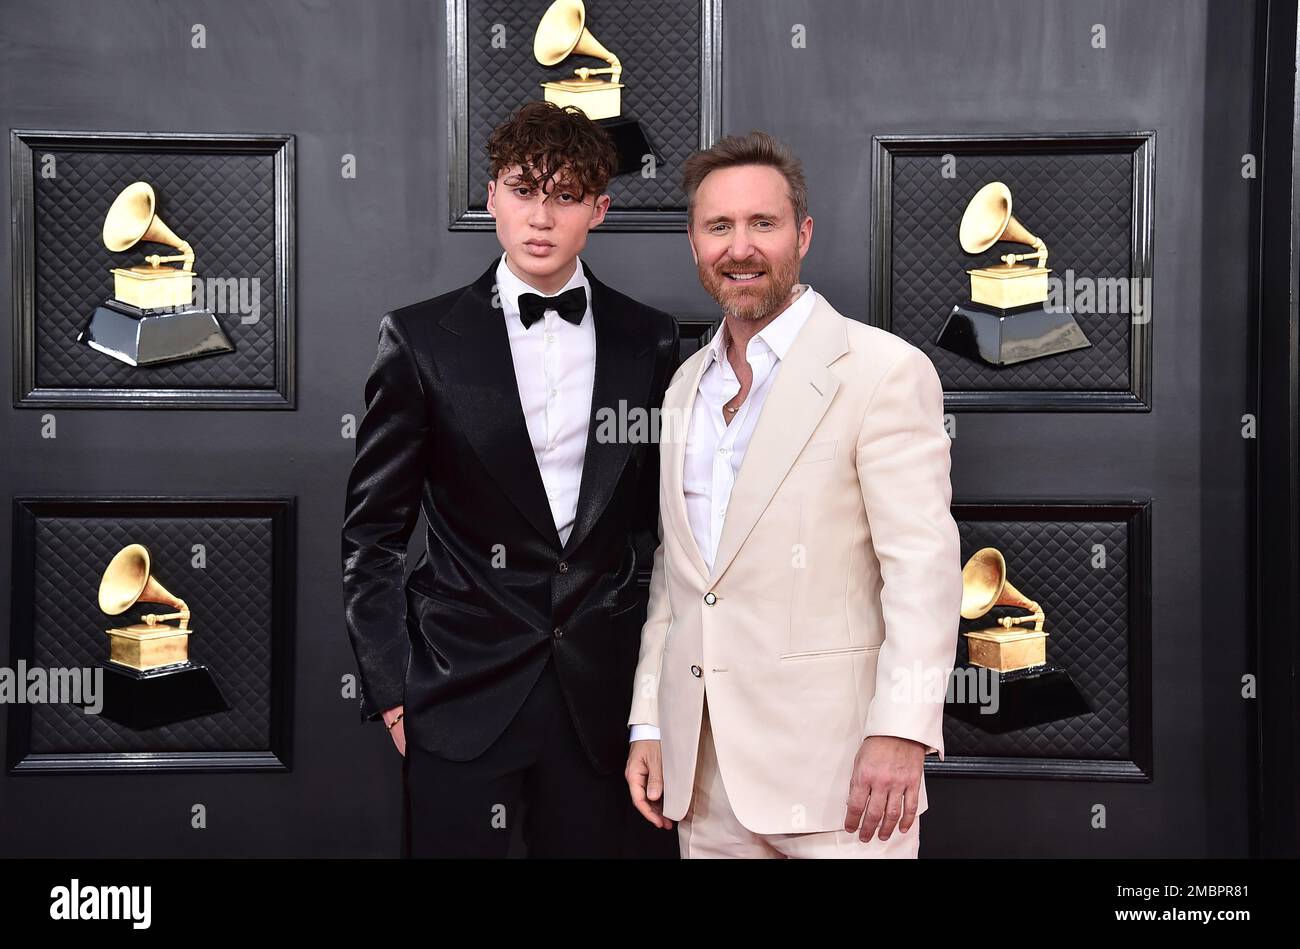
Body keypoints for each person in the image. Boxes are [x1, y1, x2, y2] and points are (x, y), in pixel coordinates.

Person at [342, 101, 679, 857]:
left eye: (566, 196)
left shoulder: (650, 337)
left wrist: (653, 698)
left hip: (602, 695)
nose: (541, 216)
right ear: (493, 196)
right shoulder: (419, 338)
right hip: (458, 688)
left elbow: (656, 529)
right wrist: (393, 691)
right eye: (524, 190)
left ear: (599, 209)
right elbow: (372, 536)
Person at [624, 130, 962, 858]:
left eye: (763, 223)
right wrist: (650, 721)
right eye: (719, 226)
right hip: (703, 780)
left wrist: (902, 729)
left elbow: (924, 569)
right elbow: (678, 579)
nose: (740, 247)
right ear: (694, 243)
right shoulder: (684, 386)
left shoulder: (882, 371)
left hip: (844, 780)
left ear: (802, 235)